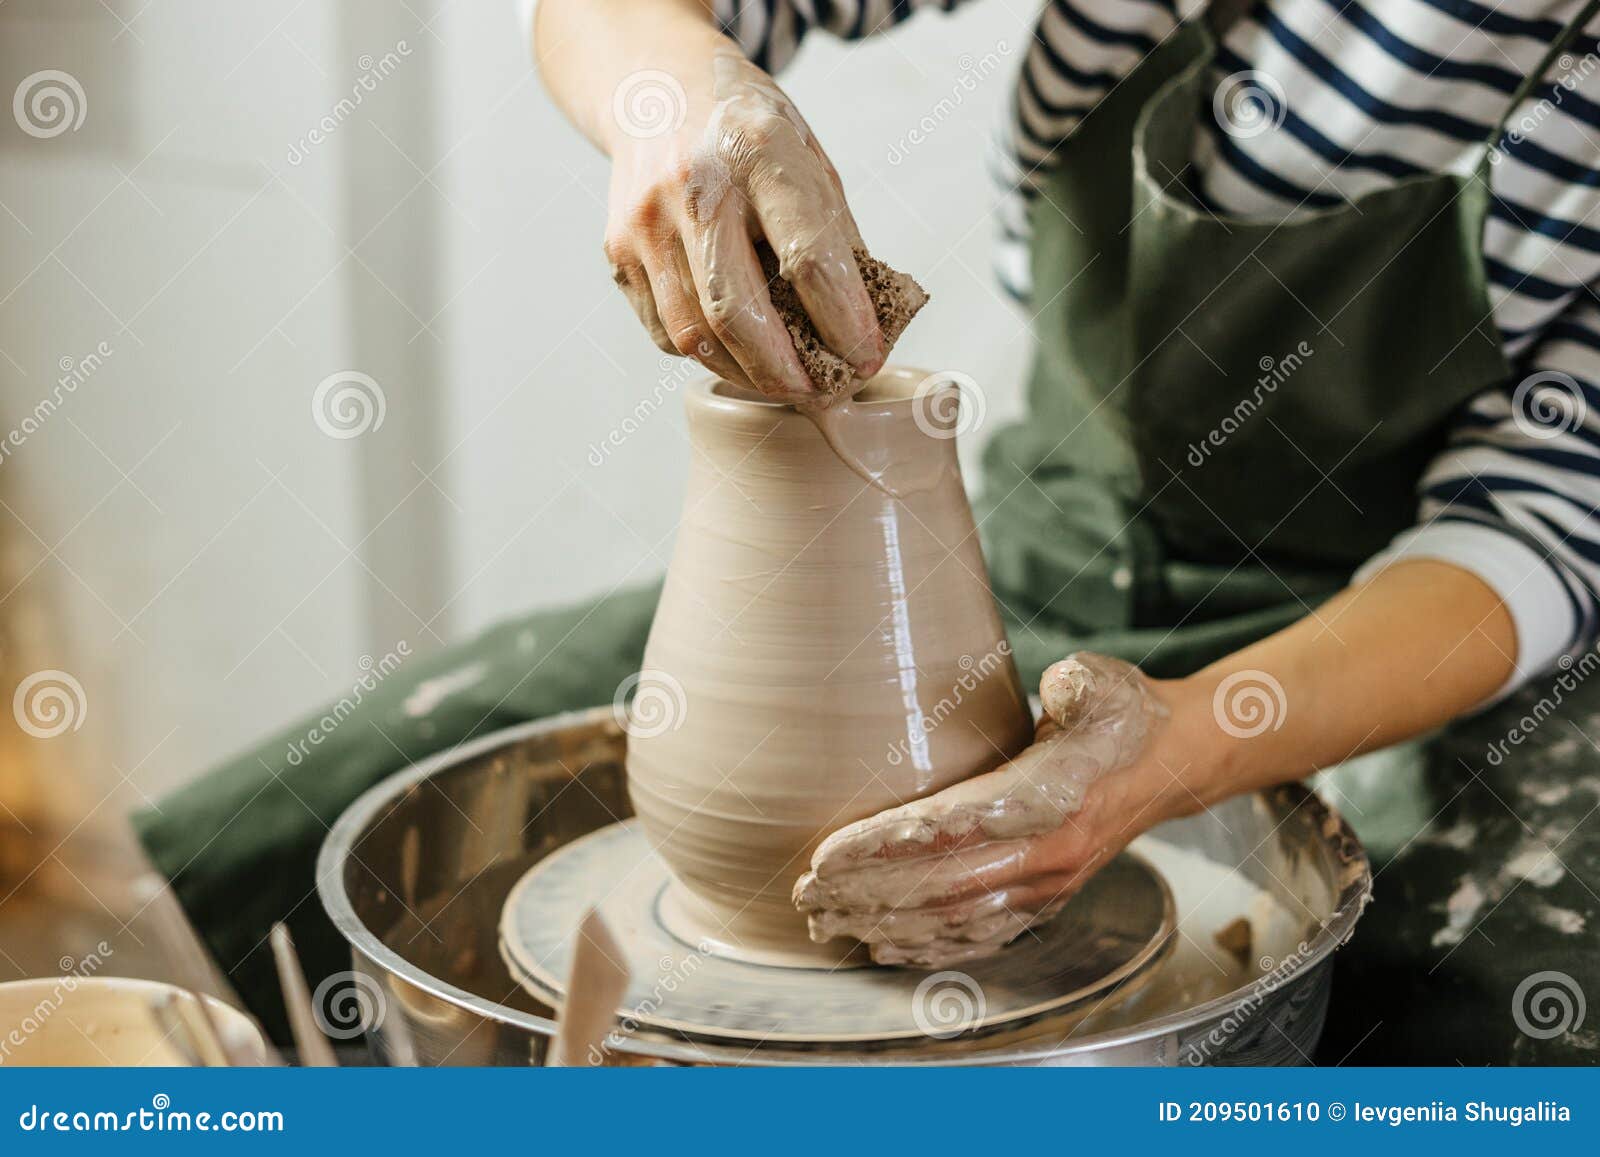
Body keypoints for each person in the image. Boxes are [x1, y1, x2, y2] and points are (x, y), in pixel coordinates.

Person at [141, 0, 1600, 1061]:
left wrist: (1182, 749)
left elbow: (1542, 526)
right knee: (238, 849)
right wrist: (675, 90)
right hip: (1027, 546)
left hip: (1411, 647)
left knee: (1487, 1031)